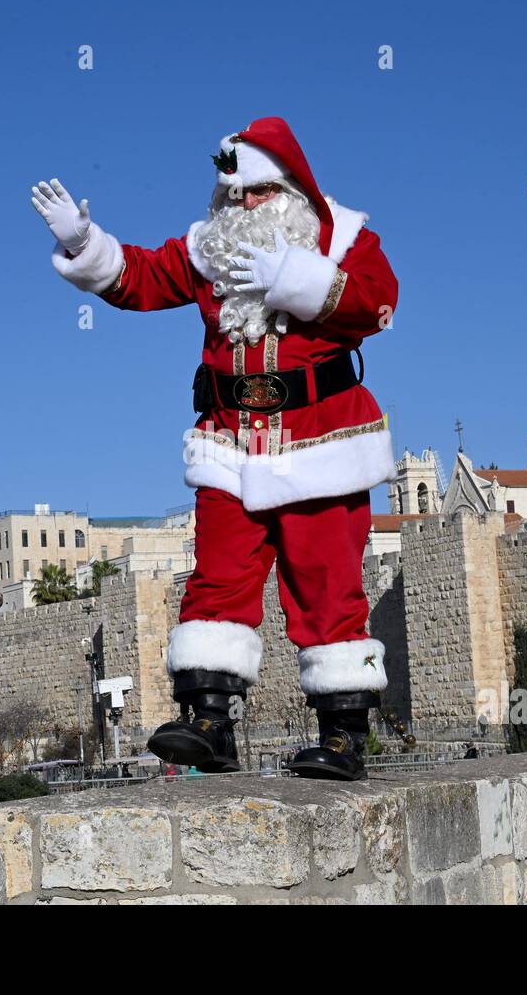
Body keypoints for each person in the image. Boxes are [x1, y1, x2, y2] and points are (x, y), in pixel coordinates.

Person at [32, 118, 398, 780]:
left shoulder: (344, 240)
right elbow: (142, 279)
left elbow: (379, 304)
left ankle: (344, 735)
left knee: (326, 584)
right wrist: (86, 245)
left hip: (321, 443)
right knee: (218, 579)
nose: (245, 205)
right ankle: (210, 721)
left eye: (258, 192)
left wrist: (300, 280)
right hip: (229, 442)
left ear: (291, 189)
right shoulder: (210, 250)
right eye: (234, 194)